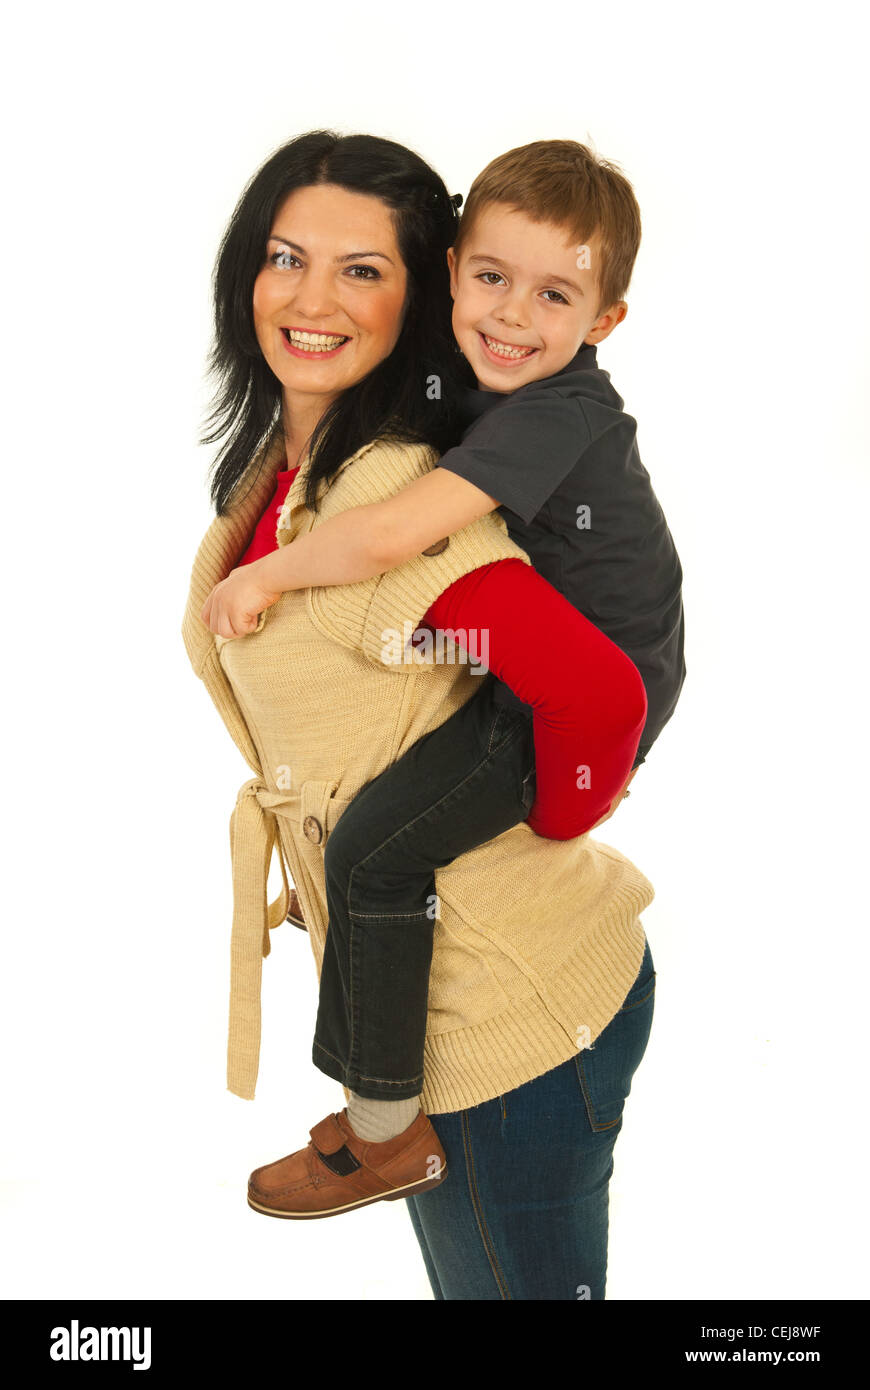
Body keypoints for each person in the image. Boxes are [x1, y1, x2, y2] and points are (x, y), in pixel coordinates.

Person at [182, 129, 659, 1298]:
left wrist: (565, 803)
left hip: (513, 1019)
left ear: (415, 291)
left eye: (361, 270)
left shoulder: (393, 497)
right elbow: (425, 671)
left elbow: (592, 687)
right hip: (448, 999)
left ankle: (381, 1125)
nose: (310, 297)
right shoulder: (284, 478)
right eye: (286, 256)